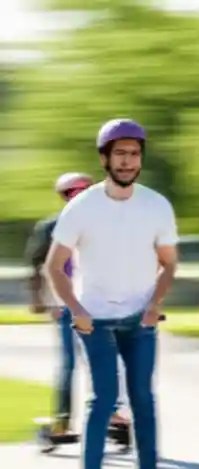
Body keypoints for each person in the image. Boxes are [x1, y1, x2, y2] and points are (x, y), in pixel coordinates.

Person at [43, 118, 180, 469]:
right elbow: (56, 265)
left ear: (141, 158)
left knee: (143, 401)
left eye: (134, 154)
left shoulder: (156, 205)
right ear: (105, 158)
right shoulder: (82, 207)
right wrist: (78, 310)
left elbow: (169, 263)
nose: (127, 161)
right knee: (103, 399)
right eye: (119, 153)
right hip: (95, 319)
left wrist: (155, 304)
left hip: (140, 319)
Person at [25, 172, 130, 436]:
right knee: (74, 362)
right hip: (69, 304)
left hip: (100, 303)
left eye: (82, 190)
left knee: (100, 361)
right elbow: (37, 265)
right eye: (71, 192)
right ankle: (65, 419)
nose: (77, 196)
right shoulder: (51, 227)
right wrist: (38, 297)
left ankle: (110, 414)